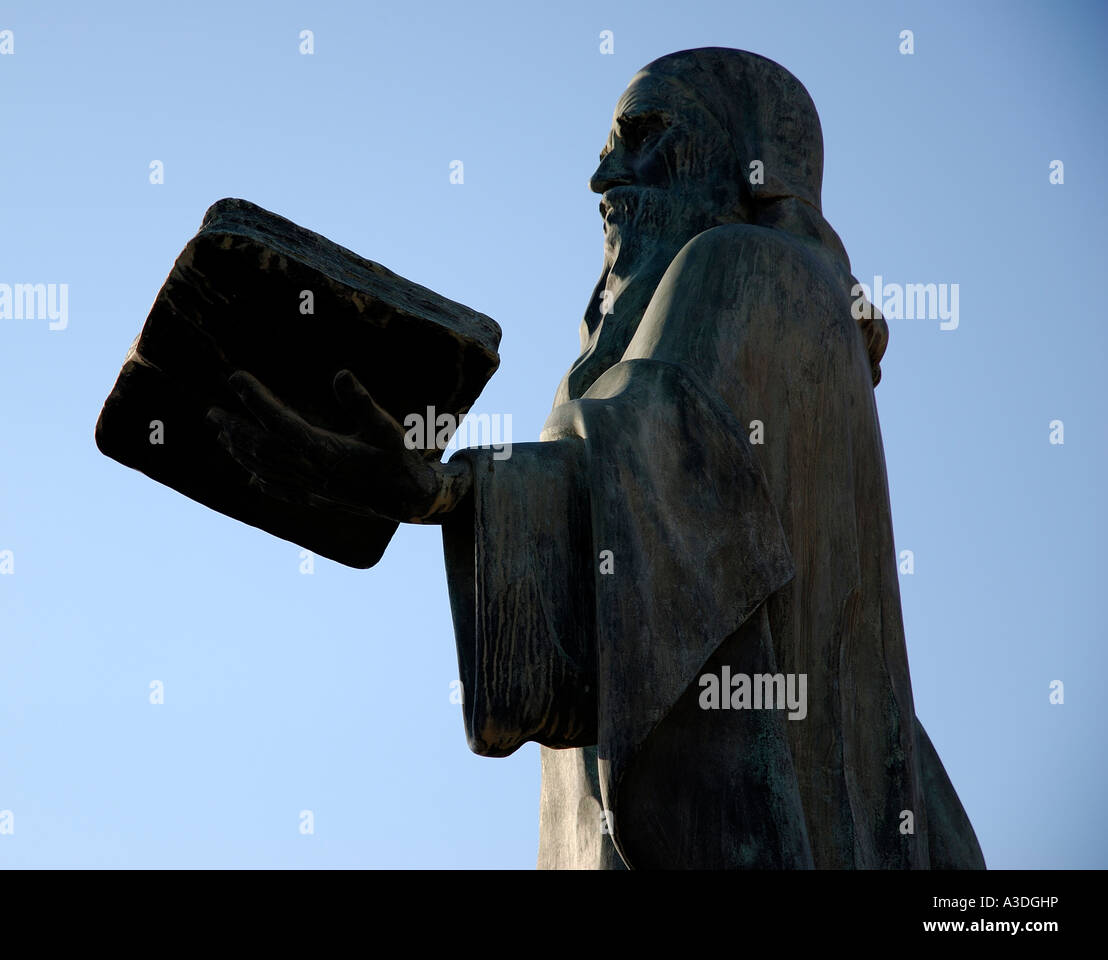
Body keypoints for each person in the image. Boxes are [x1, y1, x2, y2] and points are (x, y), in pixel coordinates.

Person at [206, 47, 985, 870]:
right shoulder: (750, 313)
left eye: (646, 135)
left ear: (751, 169)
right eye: (611, 142)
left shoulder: (749, 267)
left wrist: (455, 493)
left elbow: (677, 478)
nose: (604, 176)